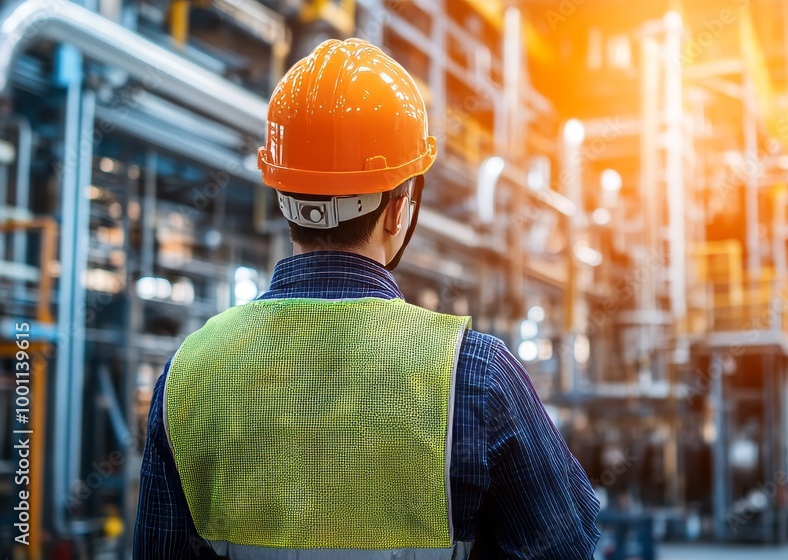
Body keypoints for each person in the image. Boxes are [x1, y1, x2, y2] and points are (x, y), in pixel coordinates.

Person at [134, 38, 600, 560]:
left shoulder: (190, 373)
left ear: (282, 192)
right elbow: (566, 548)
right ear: (400, 209)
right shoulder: (475, 373)